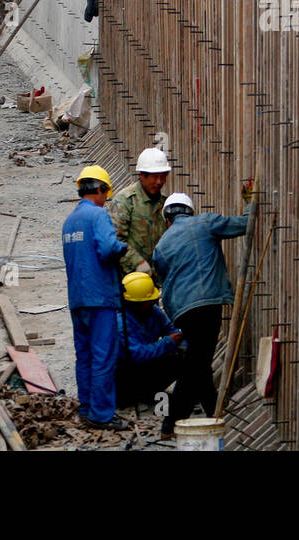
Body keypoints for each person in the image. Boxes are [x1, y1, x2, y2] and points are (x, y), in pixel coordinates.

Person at [151, 192, 250, 437]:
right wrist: (251, 203)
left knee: (199, 360)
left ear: (167, 219)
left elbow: (162, 280)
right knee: (196, 364)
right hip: (208, 304)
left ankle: (214, 412)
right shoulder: (206, 223)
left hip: (181, 311)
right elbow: (243, 225)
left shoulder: (161, 246)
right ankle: (172, 423)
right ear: (189, 212)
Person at [62, 164, 130, 431]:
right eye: (106, 192)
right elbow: (107, 249)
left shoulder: (70, 221)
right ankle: (102, 415)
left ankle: (87, 407)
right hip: (100, 297)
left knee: (85, 355)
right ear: (101, 190)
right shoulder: (98, 216)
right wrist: (123, 247)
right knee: (104, 356)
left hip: (77, 299)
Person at [115, 272, 184, 410]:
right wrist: (168, 342)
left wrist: (180, 342)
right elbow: (137, 355)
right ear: (135, 303)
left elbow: (170, 329)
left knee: (179, 357)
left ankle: (148, 393)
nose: (153, 303)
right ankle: (137, 396)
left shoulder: (153, 311)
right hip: (126, 373)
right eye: (149, 302)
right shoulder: (121, 323)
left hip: (146, 364)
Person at [108, 147, 171, 276]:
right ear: (142, 176)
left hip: (160, 277)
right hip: (132, 278)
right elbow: (116, 240)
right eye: (154, 177)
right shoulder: (125, 201)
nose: (159, 182)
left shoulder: (166, 203)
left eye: (163, 177)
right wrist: (137, 263)